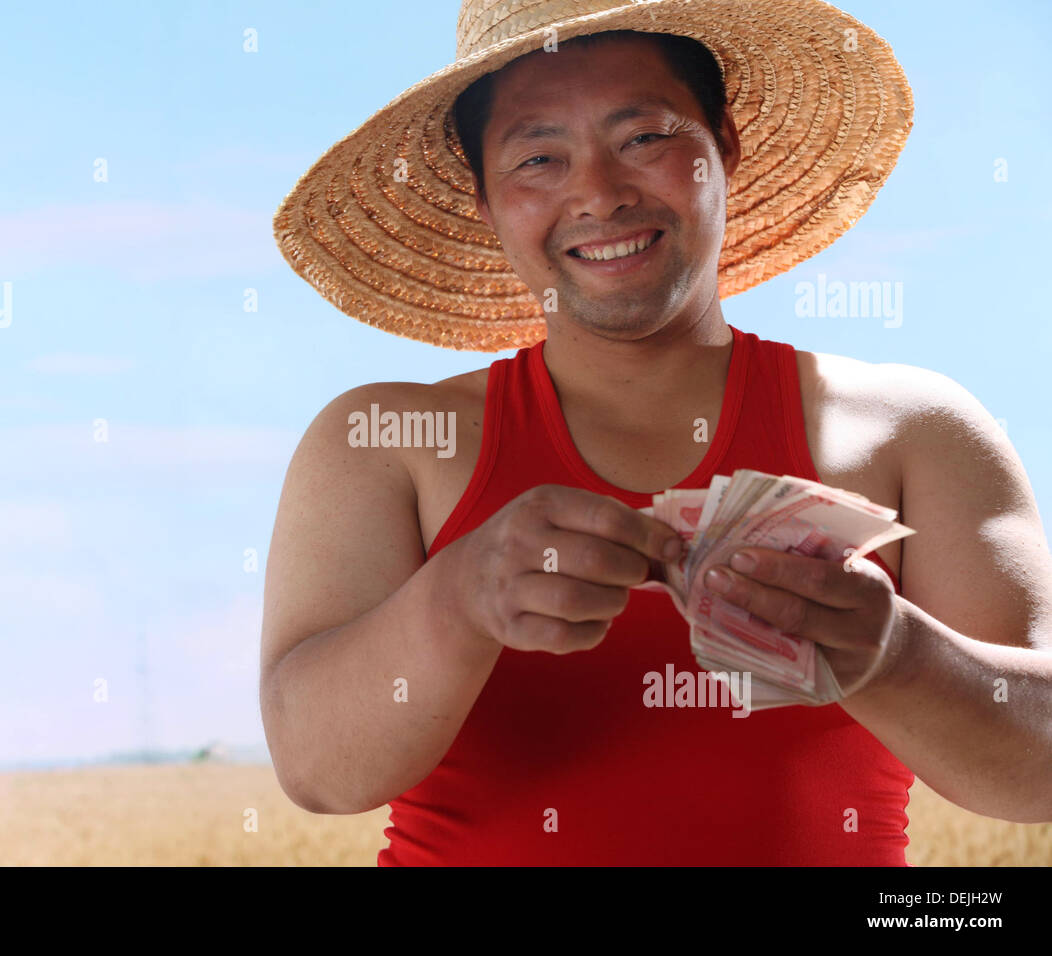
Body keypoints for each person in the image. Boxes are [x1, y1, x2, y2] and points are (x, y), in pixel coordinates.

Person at [261, 0, 1052, 865]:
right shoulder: (386, 443)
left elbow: (1036, 772)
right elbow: (317, 772)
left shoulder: (914, 431)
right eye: (537, 158)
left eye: (644, 138)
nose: (598, 194)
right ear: (485, 202)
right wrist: (458, 599)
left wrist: (895, 651)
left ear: (726, 150)